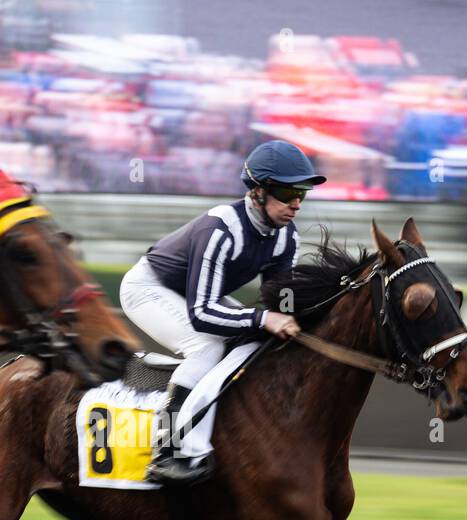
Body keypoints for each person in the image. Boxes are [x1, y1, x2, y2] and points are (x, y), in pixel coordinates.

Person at [118, 140, 323, 484]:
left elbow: (277, 303)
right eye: (288, 192)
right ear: (258, 191)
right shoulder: (220, 230)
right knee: (207, 346)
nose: (297, 204)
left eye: (302, 193)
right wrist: (261, 319)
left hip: (193, 294)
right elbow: (203, 315)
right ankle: (165, 452)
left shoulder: (286, 236)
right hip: (147, 288)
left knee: (253, 340)